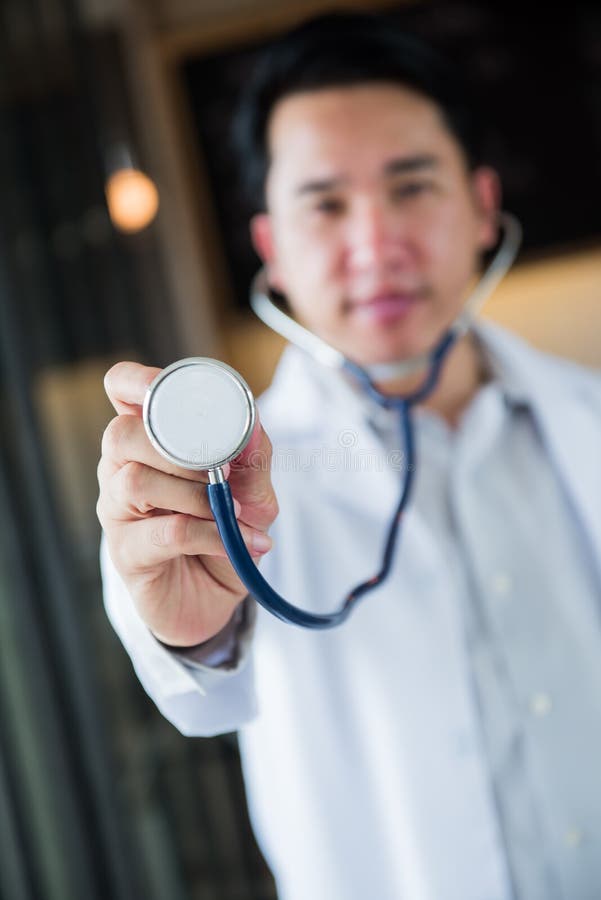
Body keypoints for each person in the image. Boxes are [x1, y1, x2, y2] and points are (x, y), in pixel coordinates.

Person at [96, 11, 601, 900]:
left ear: (483, 208)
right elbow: (204, 678)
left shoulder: (584, 414)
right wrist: (200, 631)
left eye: (411, 187)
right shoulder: (220, 479)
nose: (375, 244)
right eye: (325, 204)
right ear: (270, 249)